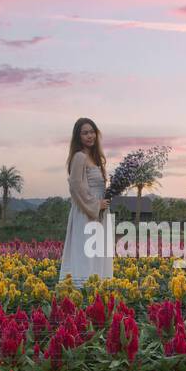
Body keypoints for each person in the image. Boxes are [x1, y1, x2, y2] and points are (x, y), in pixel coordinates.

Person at [58, 117, 113, 283]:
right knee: (86, 255)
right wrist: (96, 205)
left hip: (99, 213)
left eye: (92, 132)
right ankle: (82, 292)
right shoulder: (79, 157)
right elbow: (75, 186)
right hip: (86, 214)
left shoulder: (96, 159)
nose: (90, 136)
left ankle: (97, 290)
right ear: (78, 137)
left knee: (97, 254)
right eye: (85, 133)